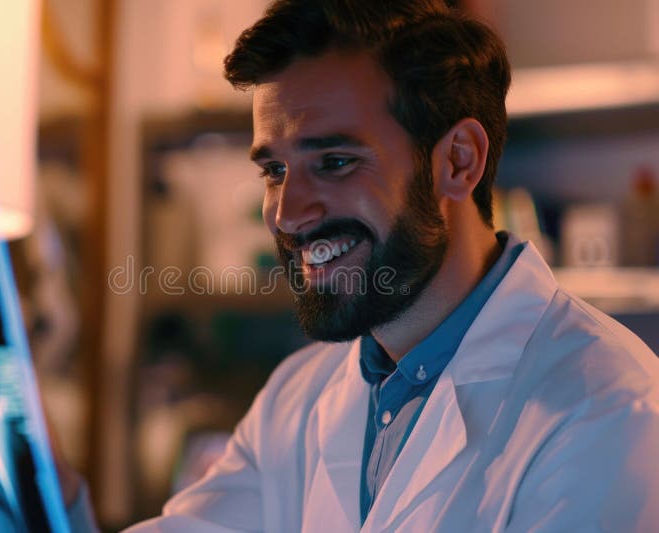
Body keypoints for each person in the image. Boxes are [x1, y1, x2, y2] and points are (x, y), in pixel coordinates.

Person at [119, 0, 659, 531]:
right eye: (276, 171)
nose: (287, 214)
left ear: (459, 160)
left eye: (334, 162)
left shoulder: (607, 410)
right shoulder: (297, 398)